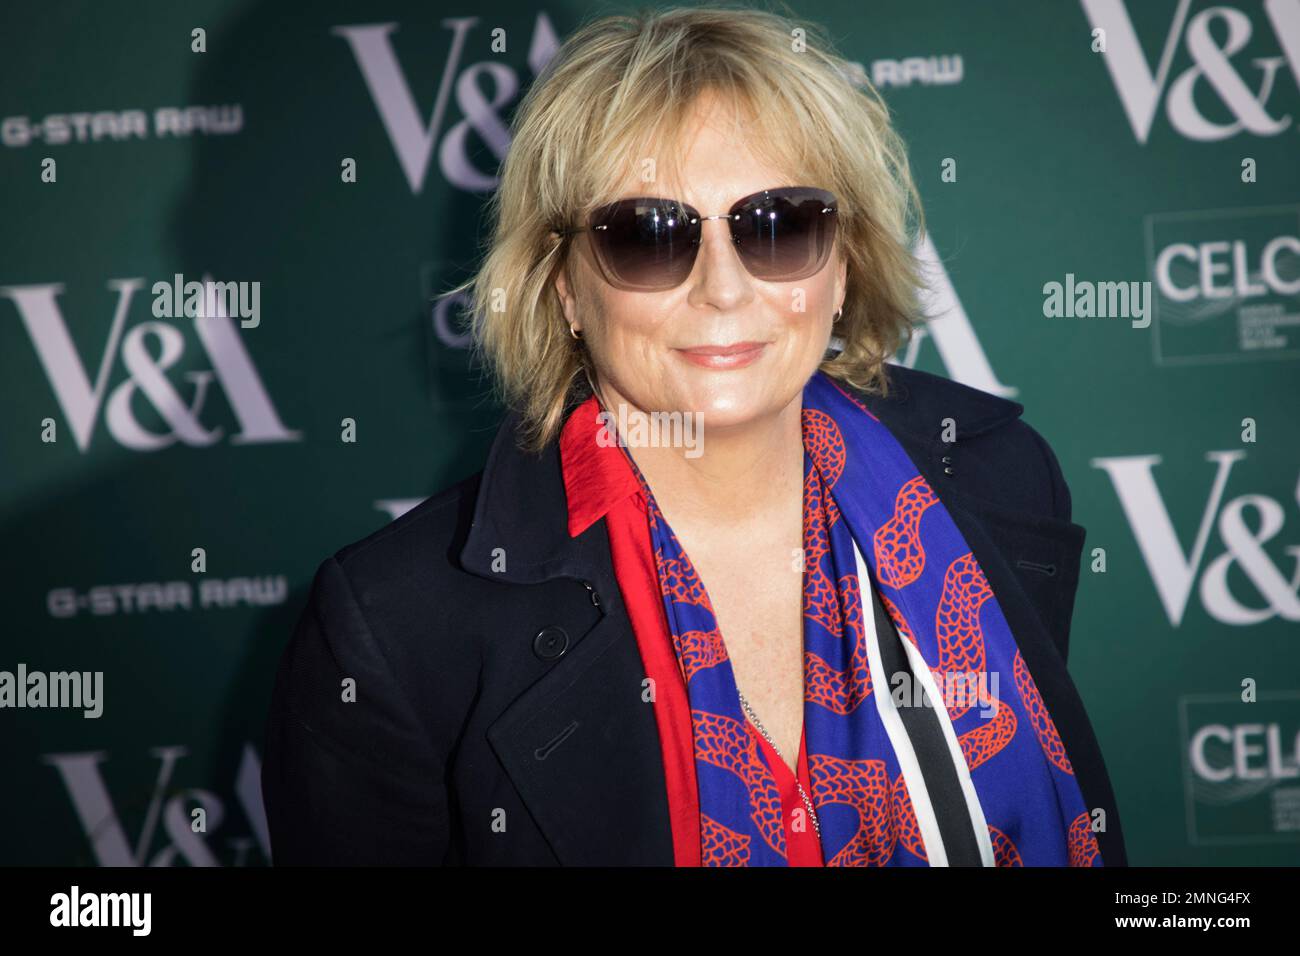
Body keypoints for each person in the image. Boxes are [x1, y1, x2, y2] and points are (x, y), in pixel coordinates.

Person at [261, 4, 1126, 866]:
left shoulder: (1001, 480)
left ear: (843, 262)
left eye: (779, 225)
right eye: (648, 235)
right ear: (562, 285)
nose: (723, 288)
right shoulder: (395, 632)